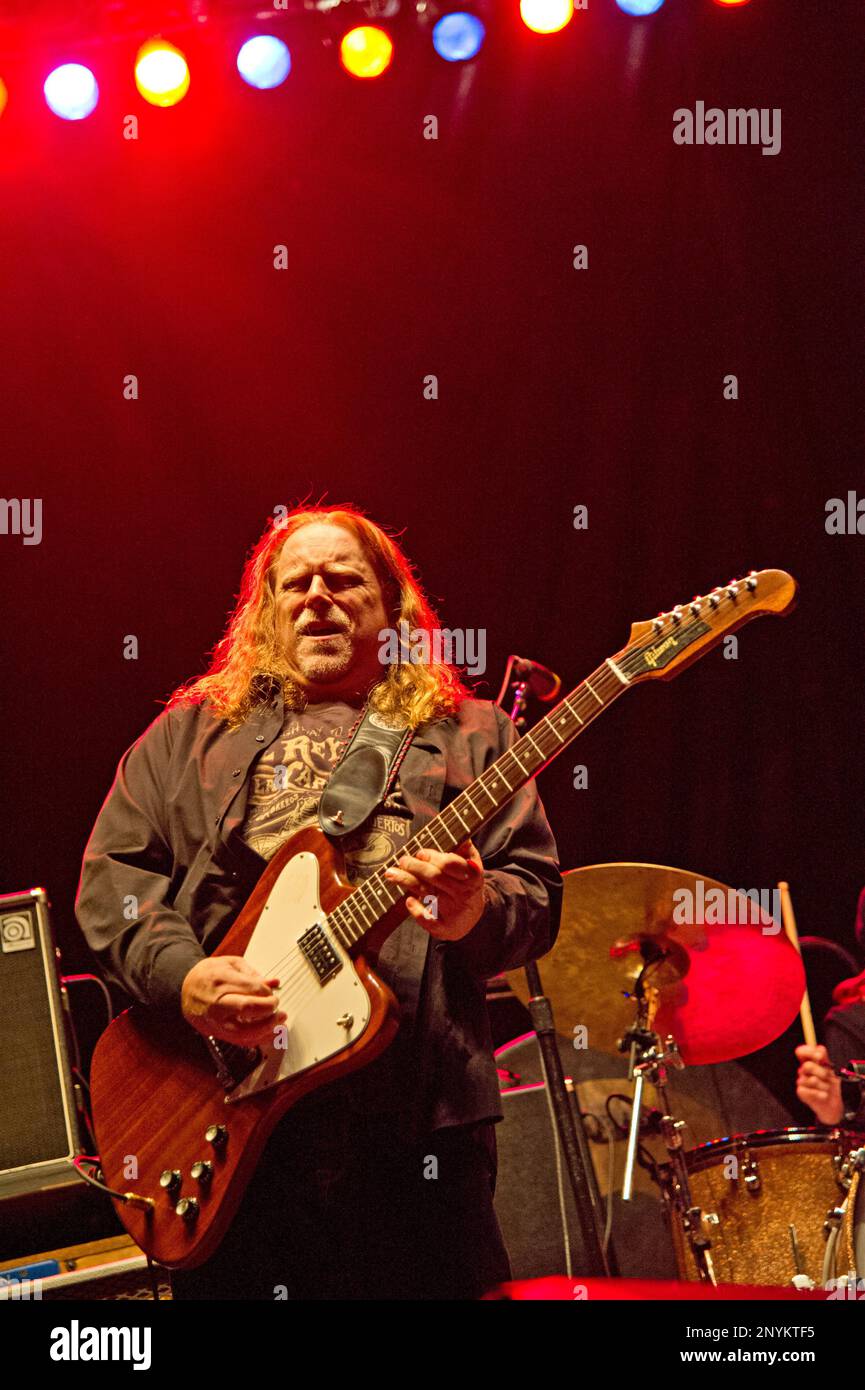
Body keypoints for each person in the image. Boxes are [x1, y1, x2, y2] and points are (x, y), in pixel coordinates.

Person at [75, 504, 563, 1300]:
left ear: (392, 606)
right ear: (264, 609)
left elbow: (534, 897)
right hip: (232, 1120)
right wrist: (186, 978)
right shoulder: (188, 737)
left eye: (343, 580)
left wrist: (477, 911)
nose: (317, 598)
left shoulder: (469, 735)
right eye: (294, 584)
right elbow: (113, 885)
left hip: (417, 1123)